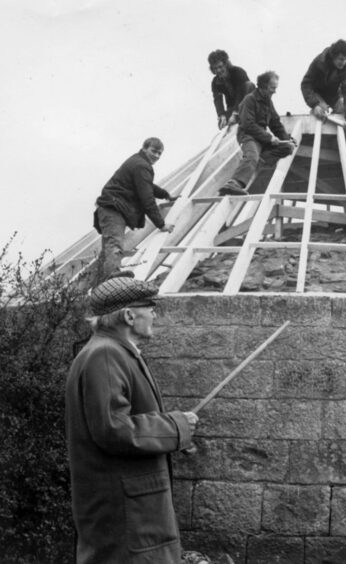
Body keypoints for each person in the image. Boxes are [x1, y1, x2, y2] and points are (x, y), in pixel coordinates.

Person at [65, 273, 199, 563]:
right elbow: (114, 429)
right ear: (128, 315)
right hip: (125, 516)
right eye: (150, 307)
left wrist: (176, 435)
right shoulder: (105, 355)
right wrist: (175, 427)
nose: (153, 313)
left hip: (134, 514)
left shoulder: (117, 352)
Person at [93, 137, 176, 282]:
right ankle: (113, 279)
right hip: (114, 208)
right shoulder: (142, 165)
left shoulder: (138, 162)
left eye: (159, 154)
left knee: (108, 249)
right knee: (114, 244)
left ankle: (101, 285)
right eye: (154, 151)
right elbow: (147, 198)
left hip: (109, 207)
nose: (156, 156)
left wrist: (166, 195)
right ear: (144, 148)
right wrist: (161, 224)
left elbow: (147, 185)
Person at [218, 71, 297, 196]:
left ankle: (260, 160)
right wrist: (269, 137)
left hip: (262, 139)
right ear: (263, 86)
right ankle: (234, 183)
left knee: (287, 148)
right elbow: (248, 125)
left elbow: (275, 123)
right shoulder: (249, 100)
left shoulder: (268, 102)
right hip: (248, 136)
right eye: (272, 88)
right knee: (251, 156)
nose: (274, 91)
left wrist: (287, 139)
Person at [301, 39, 346, 130]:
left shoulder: (345, 65)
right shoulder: (319, 62)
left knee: (343, 108)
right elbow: (306, 84)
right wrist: (314, 105)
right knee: (320, 113)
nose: (344, 62)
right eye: (341, 59)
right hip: (317, 94)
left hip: (333, 94)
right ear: (333, 56)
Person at [208, 49, 255, 130]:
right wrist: (221, 116)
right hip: (233, 107)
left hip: (247, 104)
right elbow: (217, 99)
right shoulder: (215, 82)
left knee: (249, 85)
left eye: (220, 66)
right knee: (221, 124)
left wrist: (235, 114)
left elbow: (241, 93)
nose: (218, 70)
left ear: (226, 64)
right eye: (215, 68)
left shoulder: (238, 72)